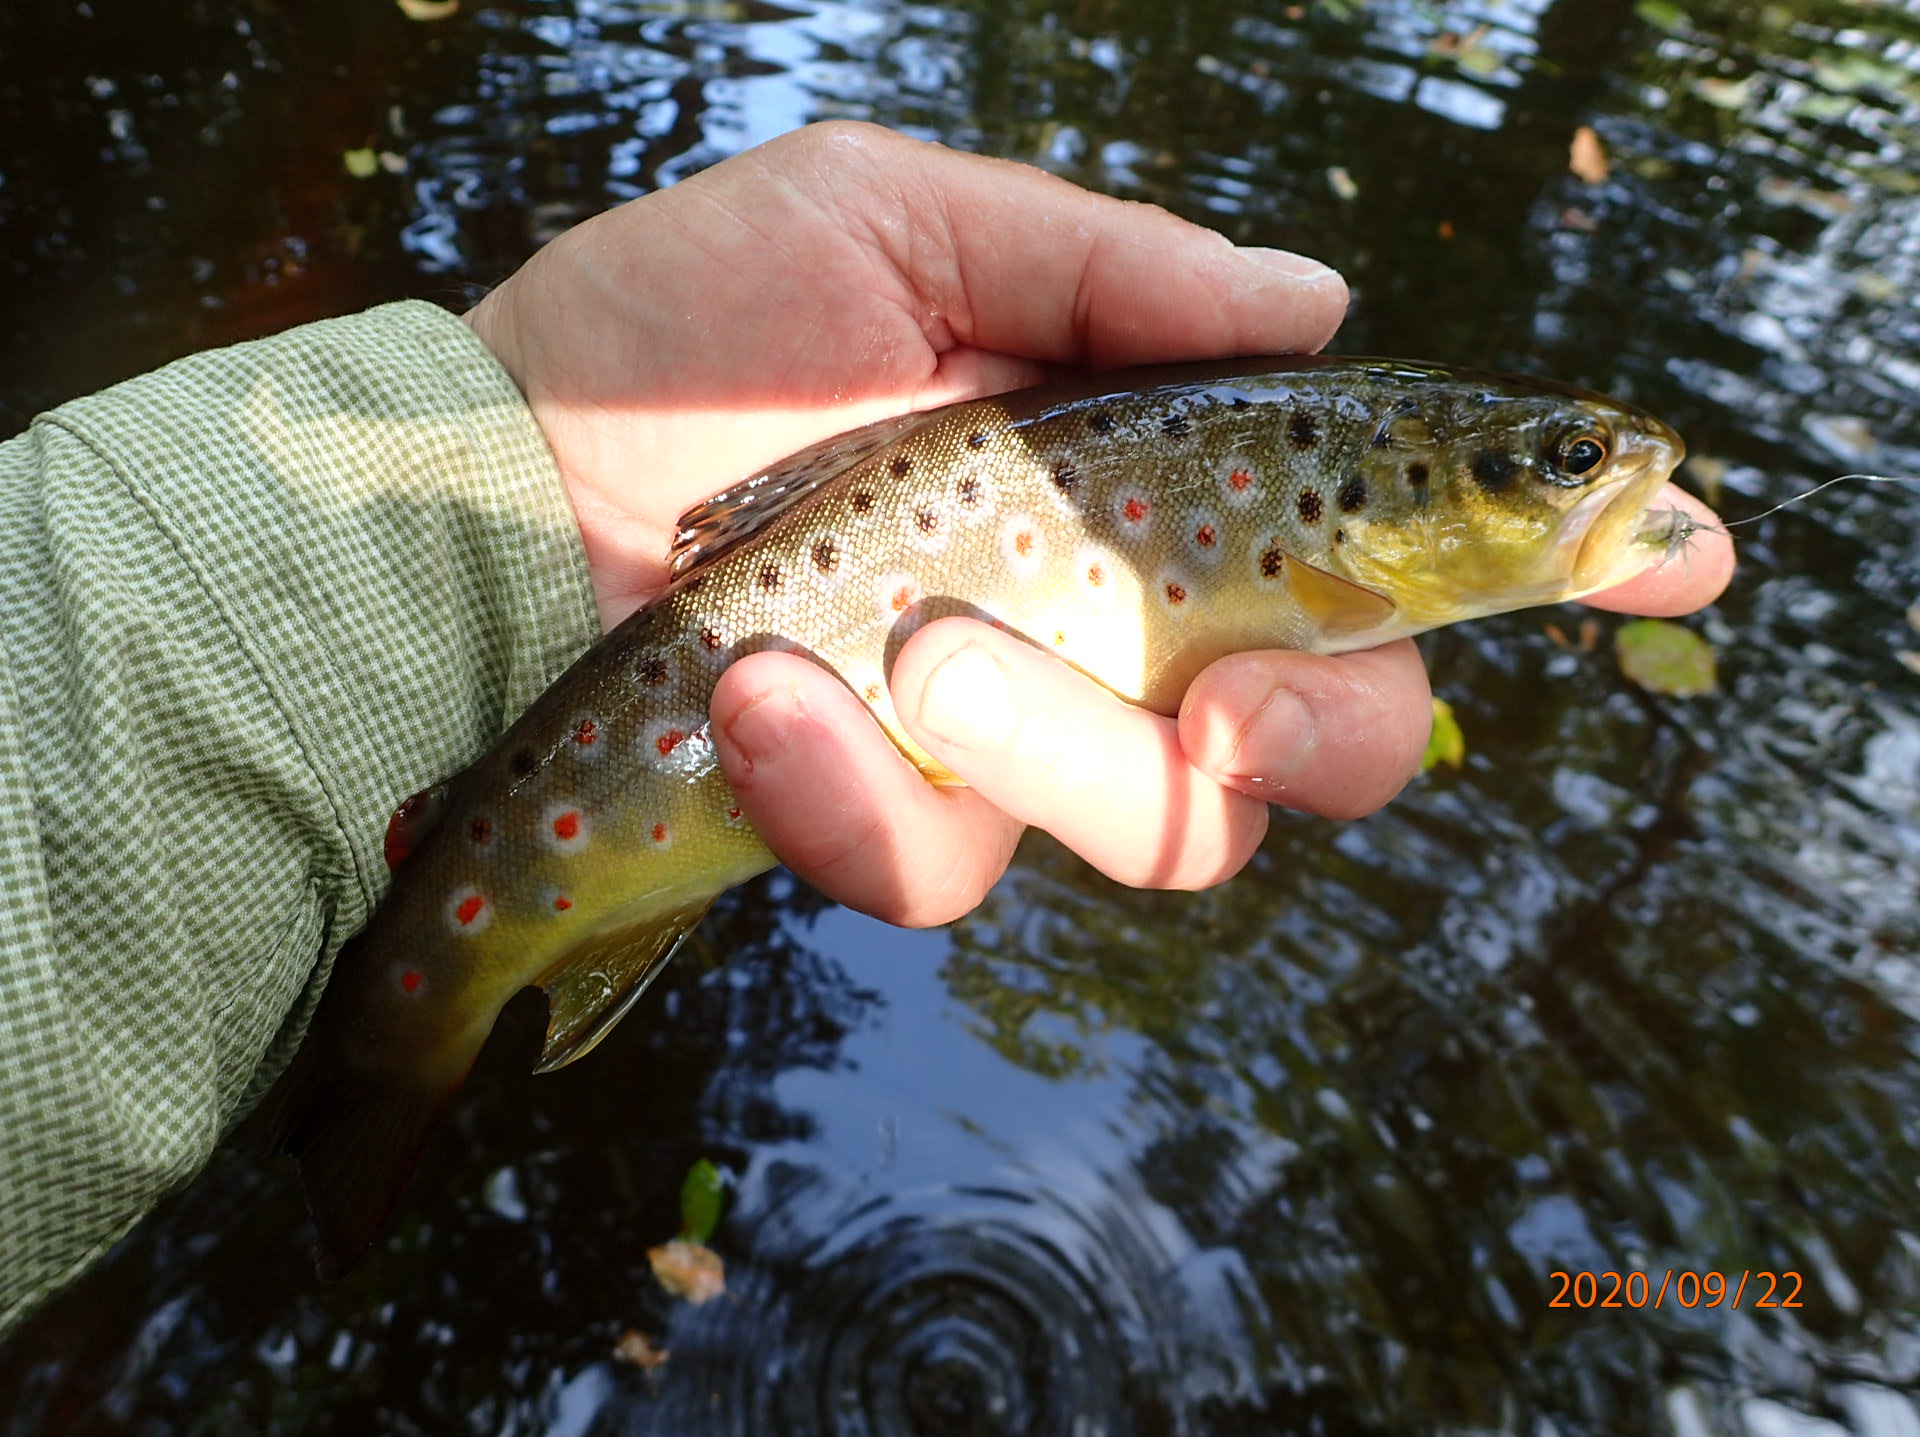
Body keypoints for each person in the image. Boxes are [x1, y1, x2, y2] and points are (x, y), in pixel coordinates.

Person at [0, 121, 1732, 1333]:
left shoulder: (1344, 517)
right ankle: (388, 1055)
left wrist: (497, 483)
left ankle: (386, 1057)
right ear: (1393, 493)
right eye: (1550, 469)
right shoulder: (1333, 511)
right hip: (647, 711)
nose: (1608, 480)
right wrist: (530, 459)